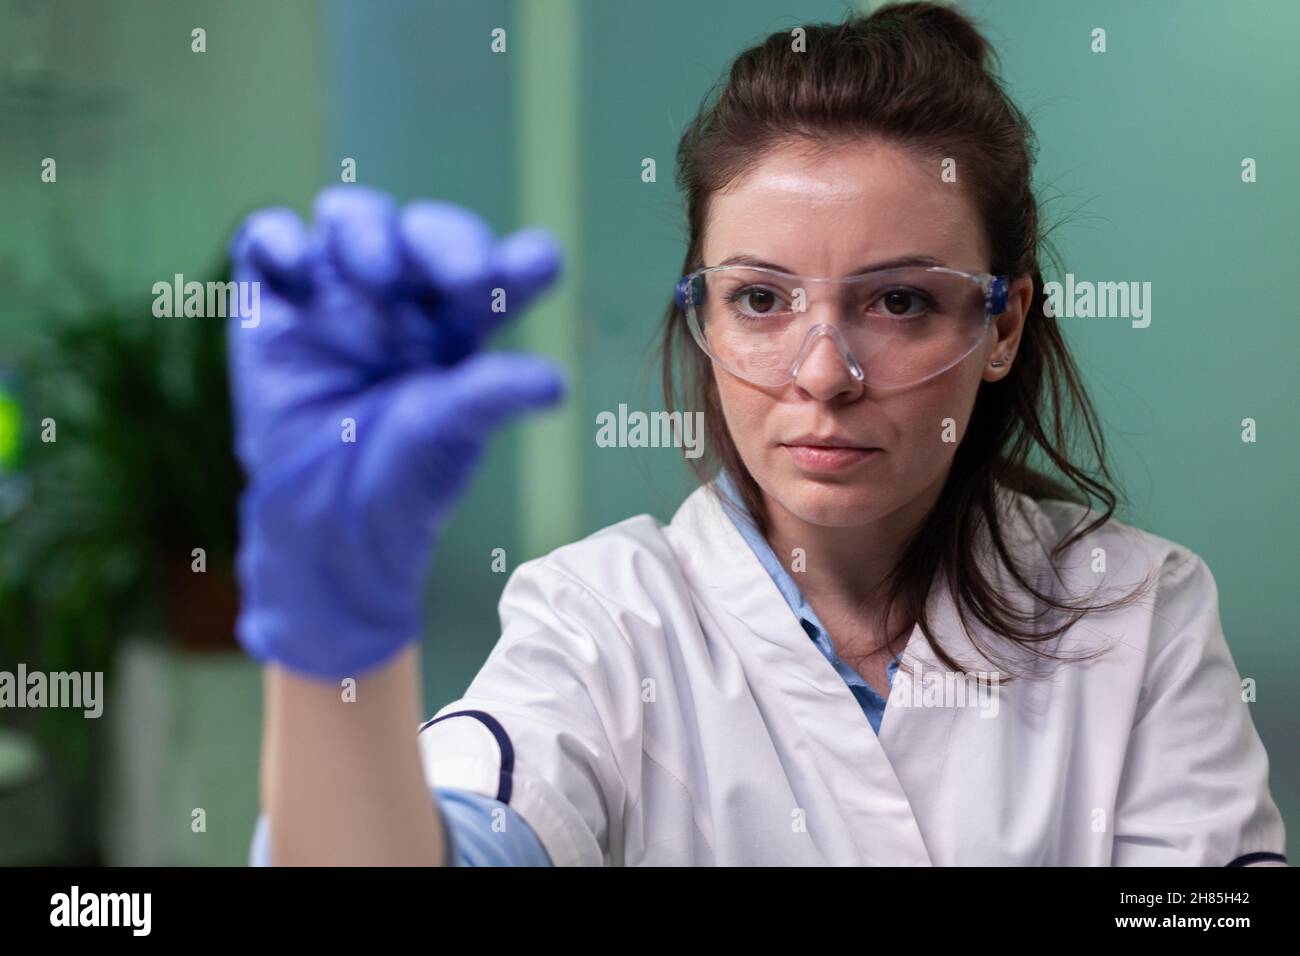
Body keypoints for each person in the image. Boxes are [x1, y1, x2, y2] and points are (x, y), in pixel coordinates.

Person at [235, 2, 1286, 866]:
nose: (824, 374)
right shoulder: (603, 623)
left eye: (902, 302)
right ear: (702, 310)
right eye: (760, 300)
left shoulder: (1132, 612)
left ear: (1002, 323)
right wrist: (335, 642)